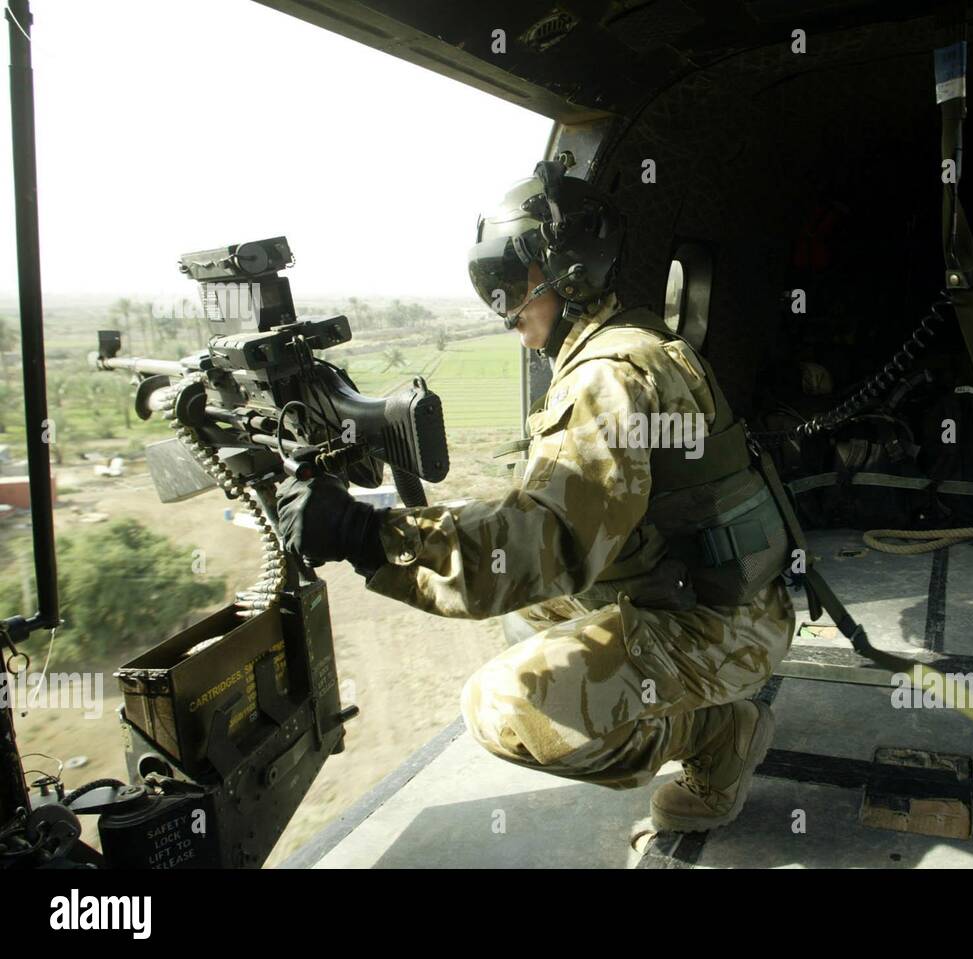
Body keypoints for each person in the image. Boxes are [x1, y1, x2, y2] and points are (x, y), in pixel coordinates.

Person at [275, 159, 795, 834]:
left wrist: (366, 535)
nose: (504, 309)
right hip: (719, 591)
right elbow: (552, 517)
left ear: (567, 276)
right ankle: (690, 705)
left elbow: (545, 540)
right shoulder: (628, 343)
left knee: (502, 707)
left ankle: (716, 733)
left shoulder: (607, 376)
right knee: (526, 617)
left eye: (510, 286)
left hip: (724, 626)